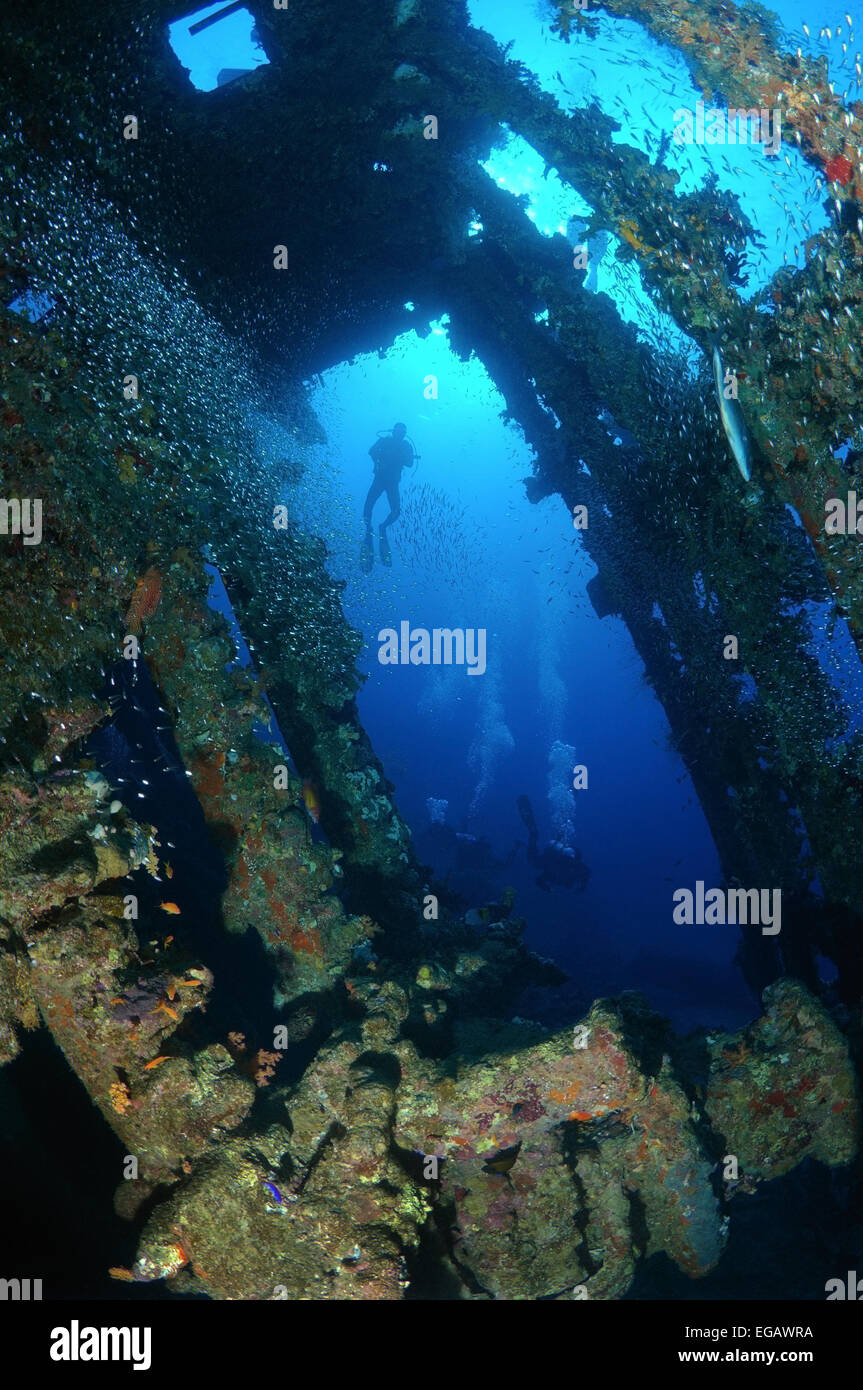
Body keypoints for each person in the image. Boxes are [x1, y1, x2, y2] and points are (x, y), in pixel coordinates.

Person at [361, 423, 416, 570]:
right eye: (398, 431)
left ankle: (383, 527)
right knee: (368, 507)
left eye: (402, 432)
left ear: (404, 434)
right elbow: (371, 451)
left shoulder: (406, 446)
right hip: (379, 478)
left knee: (396, 511)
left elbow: (410, 463)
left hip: (393, 482)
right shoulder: (384, 441)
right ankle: (368, 528)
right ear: (393, 431)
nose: (400, 434)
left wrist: (401, 457)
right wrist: (379, 460)